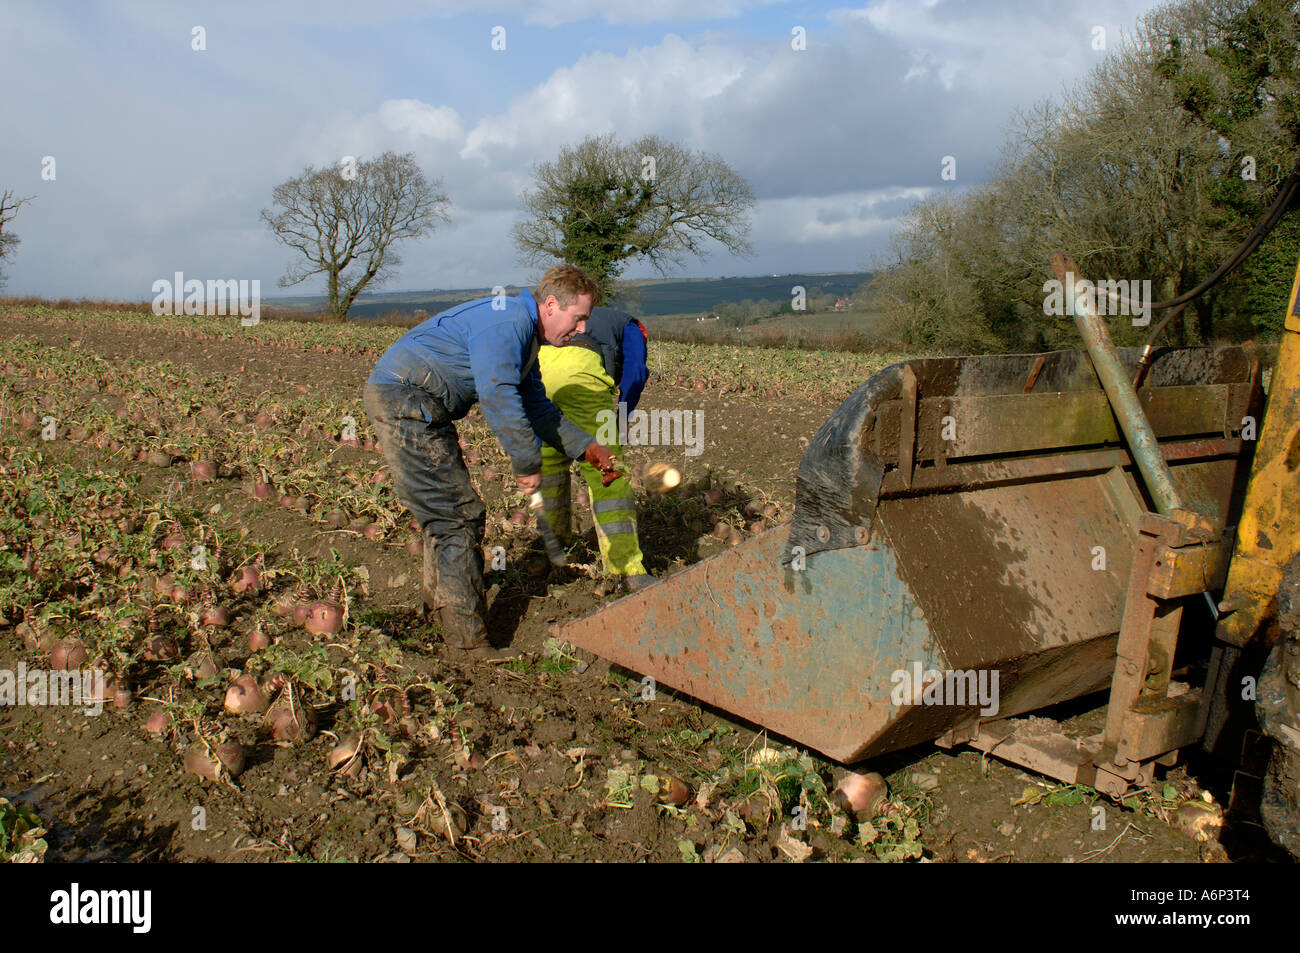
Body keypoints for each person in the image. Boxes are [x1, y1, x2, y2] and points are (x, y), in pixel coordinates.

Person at [362, 265, 620, 660]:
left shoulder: (525, 337)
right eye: (579, 317)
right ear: (551, 305)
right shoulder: (508, 324)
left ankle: (440, 610)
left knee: (449, 514)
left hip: (422, 406)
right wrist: (526, 461)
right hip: (405, 402)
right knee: (455, 517)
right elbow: (498, 392)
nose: (582, 329)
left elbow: (537, 407)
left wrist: (588, 448)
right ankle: (467, 642)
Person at [536, 306, 653, 592]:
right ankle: (628, 568)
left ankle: (555, 553)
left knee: (550, 470)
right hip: (581, 376)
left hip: (539, 373)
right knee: (607, 471)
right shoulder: (632, 328)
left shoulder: (570, 314)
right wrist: (623, 415)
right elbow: (636, 372)